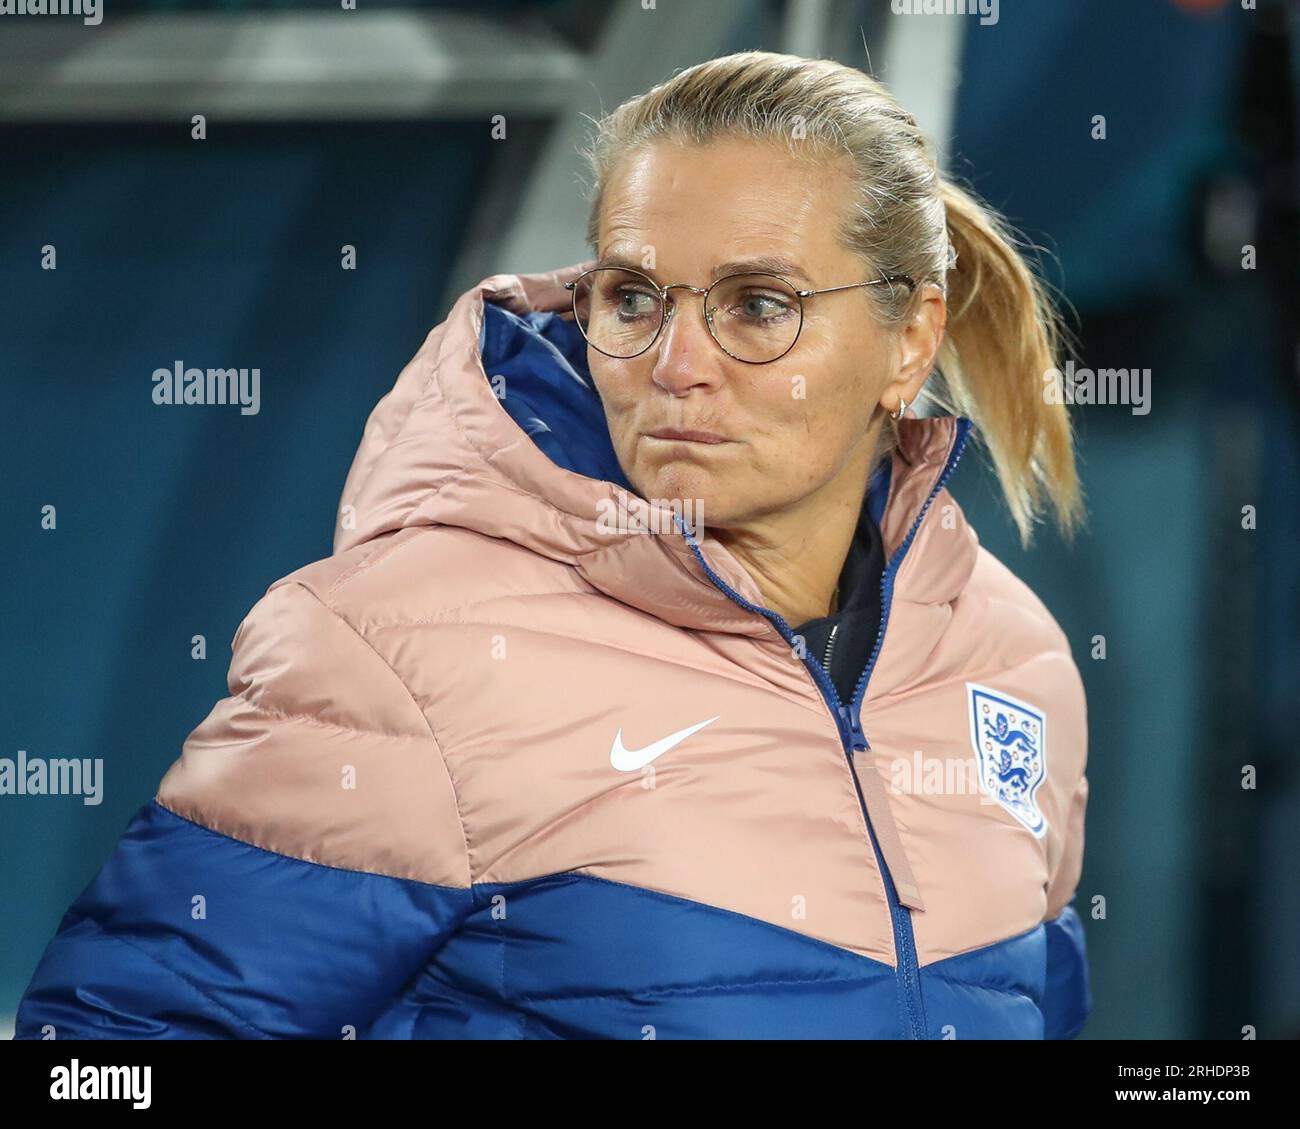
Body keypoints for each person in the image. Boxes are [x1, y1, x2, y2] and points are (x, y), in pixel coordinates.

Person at [15, 50, 1090, 1040]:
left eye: (758, 306)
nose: (675, 364)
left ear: (909, 342)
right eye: (631, 298)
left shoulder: (1010, 656)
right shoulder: (401, 650)